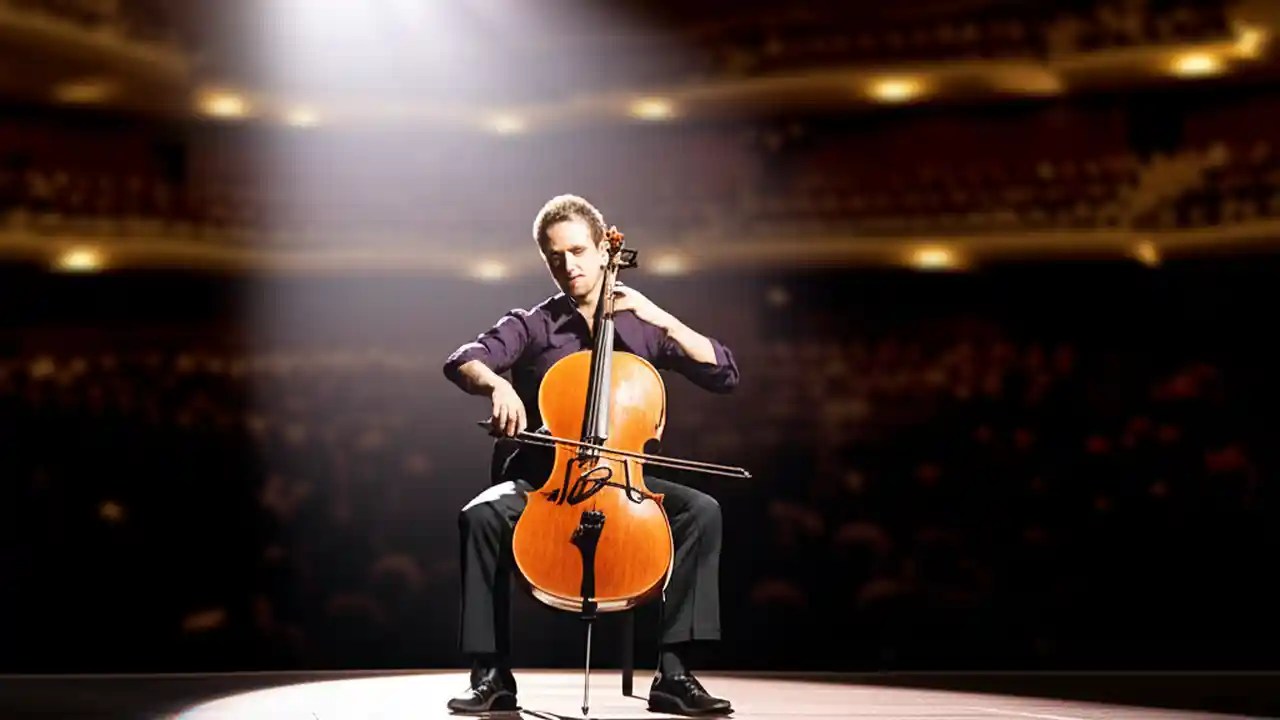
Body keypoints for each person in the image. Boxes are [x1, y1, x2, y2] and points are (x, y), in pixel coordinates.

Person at [441, 194, 739, 715]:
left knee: (702, 511)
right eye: (555, 257)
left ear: (605, 250)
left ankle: (674, 674)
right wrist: (496, 386)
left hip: (625, 482)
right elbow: (464, 359)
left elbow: (724, 372)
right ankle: (491, 675)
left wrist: (659, 315)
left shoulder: (643, 324)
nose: (568, 266)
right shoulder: (533, 324)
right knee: (481, 515)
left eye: (578, 251)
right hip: (543, 483)